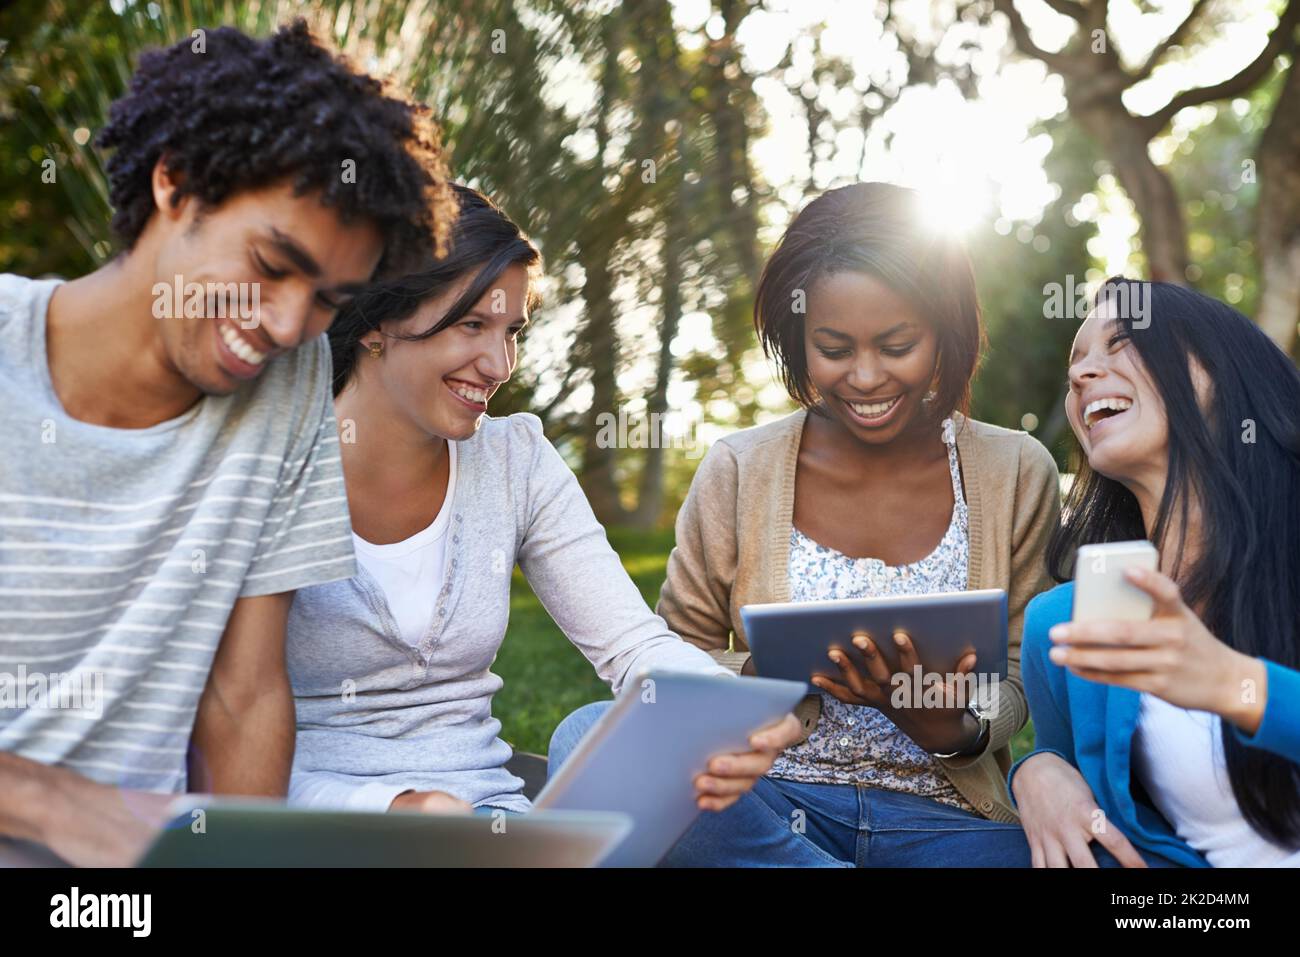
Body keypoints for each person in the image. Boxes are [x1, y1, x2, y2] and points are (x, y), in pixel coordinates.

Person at [0, 21, 452, 866]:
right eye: (271, 264)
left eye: (328, 298)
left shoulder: (288, 381)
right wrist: (50, 801)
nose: (286, 325)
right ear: (175, 182)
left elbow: (244, 694)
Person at [550, 181, 1060, 866]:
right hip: (769, 803)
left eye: (897, 343)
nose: (867, 375)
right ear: (797, 336)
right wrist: (761, 674)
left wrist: (953, 726)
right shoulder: (738, 468)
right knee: (588, 733)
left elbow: (1024, 667)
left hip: (940, 820)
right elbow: (673, 657)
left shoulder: (1016, 468)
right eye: (835, 347)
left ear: (943, 329)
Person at [284, 184, 801, 817]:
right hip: (309, 819)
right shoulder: (276, 468)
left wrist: (729, 706)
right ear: (377, 324)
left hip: (487, 818)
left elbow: (632, 645)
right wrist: (394, 809)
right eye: (472, 324)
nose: (499, 364)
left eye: (512, 331)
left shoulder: (514, 460)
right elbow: (218, 725)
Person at [1011, 279, 1300, 868]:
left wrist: (1233, 684)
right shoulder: (1066, 623)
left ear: (1219, 371)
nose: (1082, 374)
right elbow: (1085, 814)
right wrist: (1037, 771)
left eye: (1120, 343)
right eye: (1076, 363)